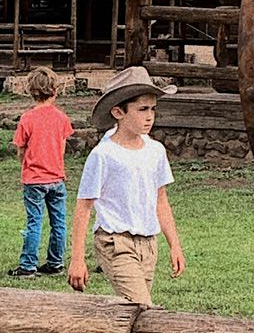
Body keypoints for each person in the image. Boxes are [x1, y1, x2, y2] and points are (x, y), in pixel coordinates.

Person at [67, 65, 184, 306]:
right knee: (143, 308)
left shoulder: (155, 151)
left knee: (134, 315)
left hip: (148, 244)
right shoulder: (104, 155)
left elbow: (161, 200)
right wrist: (77, 258)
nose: (149, 116)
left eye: (153, 109)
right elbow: (84, 207)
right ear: (118, 112)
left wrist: (175, 245)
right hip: (115, 241)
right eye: (142, 109)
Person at [8, 67, 73, 278]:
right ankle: (56, 262)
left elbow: (21, 149)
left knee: (34, 221)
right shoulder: (61, 118)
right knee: (59, 221)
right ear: (55, 90)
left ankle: (28, 265)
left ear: (31, 91)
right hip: (56, 176)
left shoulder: (27, 118)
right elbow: (62, 147)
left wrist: (25, 165)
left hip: (34, 178)